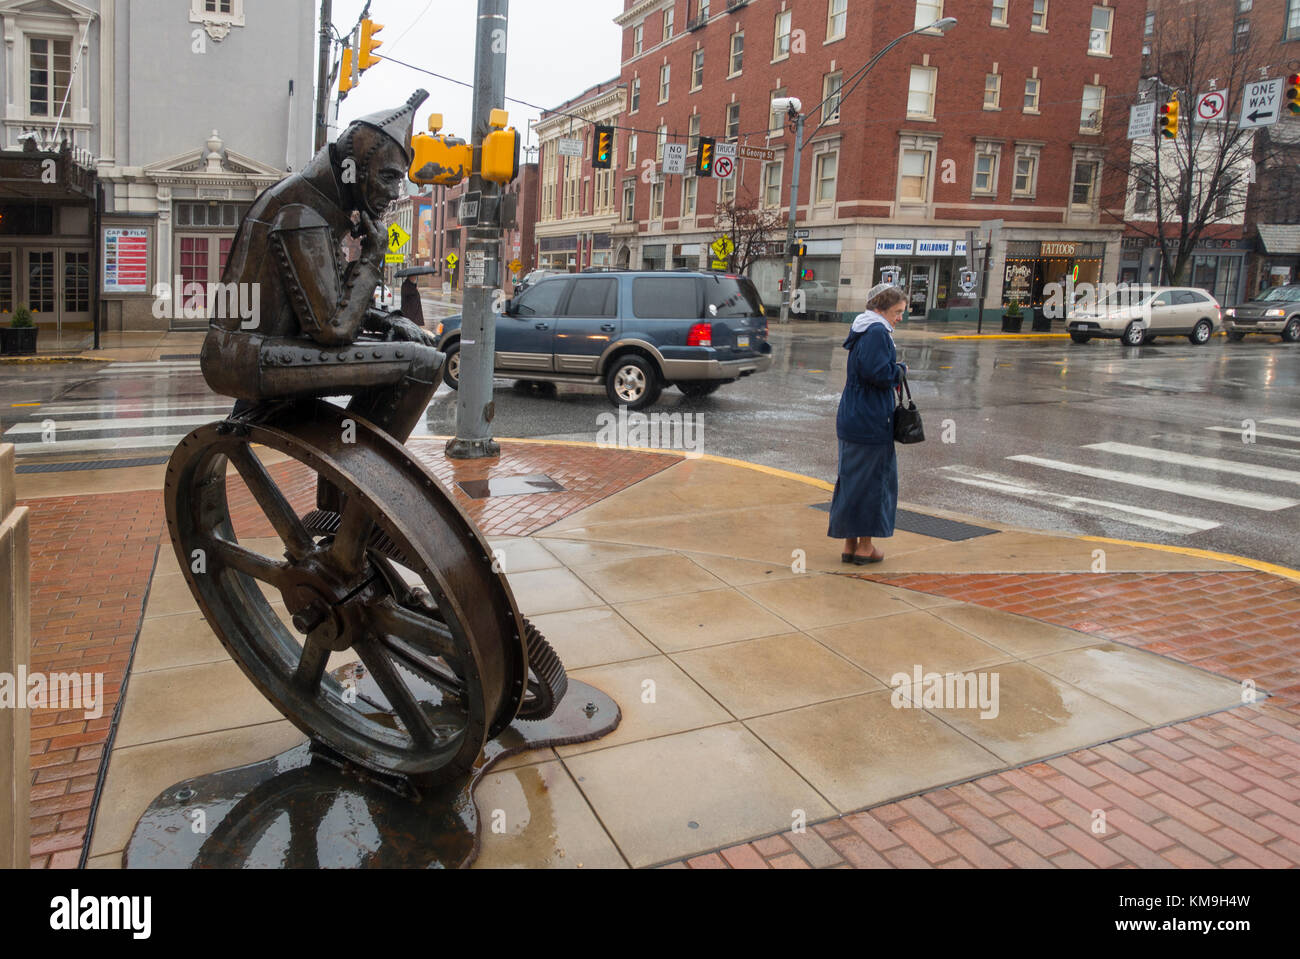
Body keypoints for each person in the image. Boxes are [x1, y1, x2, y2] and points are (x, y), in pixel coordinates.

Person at [828, 283, 908, 564]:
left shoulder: (862, 329)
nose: (900, 317)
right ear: (881, 309)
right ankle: (865, 547)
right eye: (897, 312)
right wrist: (900, 370)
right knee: (874, 483)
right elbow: (880, 375)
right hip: (871, 419)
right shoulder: (877, 332)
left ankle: (850, 545)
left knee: (852, 481)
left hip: (853, 416)